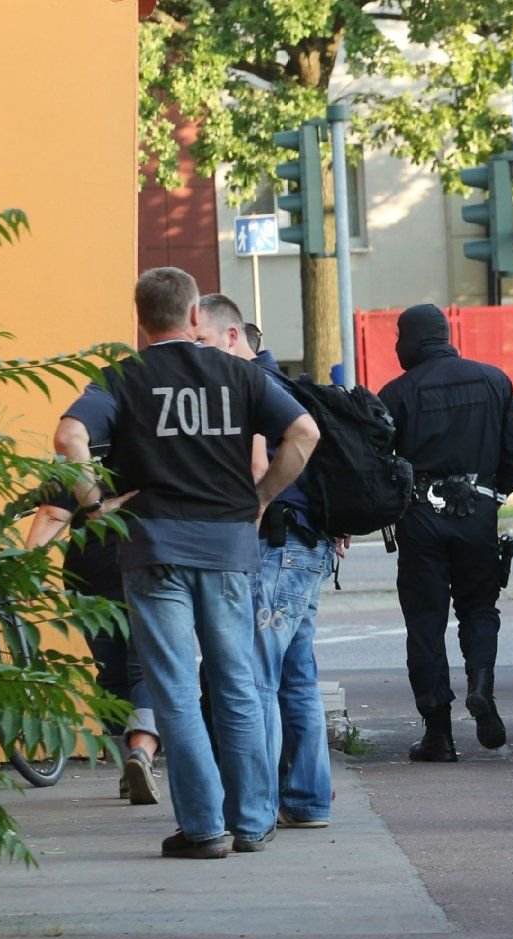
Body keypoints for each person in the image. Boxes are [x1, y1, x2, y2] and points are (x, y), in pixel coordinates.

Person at [53, 267, 319, 859]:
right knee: (237, 684)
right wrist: (264, 496)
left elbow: (70, 437)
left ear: (139, 319)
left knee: (173, 691)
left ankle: (203, 829)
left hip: (153, 550)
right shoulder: (240, 374)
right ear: (196, 314)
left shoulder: (121, 379)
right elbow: (303, 432)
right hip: (228, 548)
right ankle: (251, 821)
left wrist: (95, 506)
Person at [195, 294, 339, 828]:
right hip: (307, 545)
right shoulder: (287, 384)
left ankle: (261, 804)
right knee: (296, 677)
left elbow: (258, 463)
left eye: (204, 342)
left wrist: (256, 502)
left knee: (256, 677)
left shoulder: (249, 388)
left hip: (274, 548)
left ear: (233, 337)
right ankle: (307, 799)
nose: (198, 355)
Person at [376, 306, 513, 762]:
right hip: (477, 515)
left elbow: (375, 466)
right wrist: (491, 494)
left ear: (413, 340)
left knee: (425, 622)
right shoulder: (493, 380)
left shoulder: (396, 393)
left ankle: (438, 734)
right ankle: (481, 687)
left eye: (398, 338)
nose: (394, 347)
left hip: (420, 521)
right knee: (480, 607)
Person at [23, 468, 162, 804]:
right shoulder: (152, 441)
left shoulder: (84, 452)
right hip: (151, 560)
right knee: (148, 666)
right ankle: (141, 751)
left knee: (111, 672)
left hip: (90, 572)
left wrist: (26, 567)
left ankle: (123, 767)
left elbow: (53, 513)